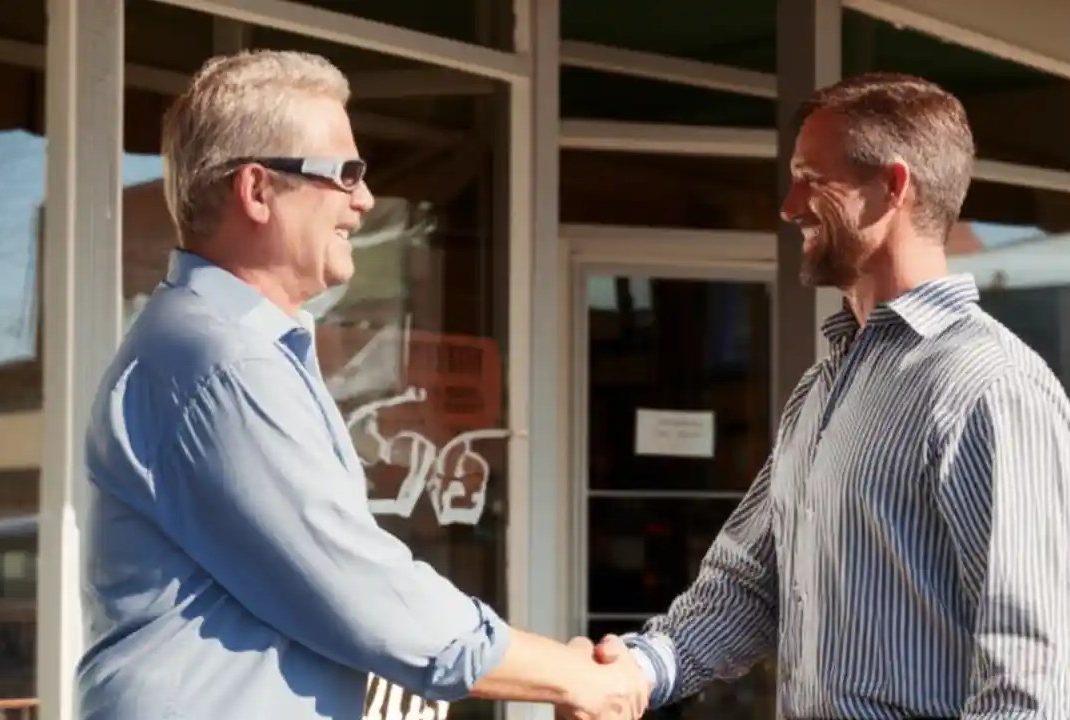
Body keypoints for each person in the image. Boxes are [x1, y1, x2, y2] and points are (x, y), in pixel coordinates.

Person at [76, 49, 648, 720]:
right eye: (344, 173)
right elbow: (362, 594)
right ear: (257, 191)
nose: (365, 199)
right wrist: (569, 676)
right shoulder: (223, 364)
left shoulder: (226, 349)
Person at [588, 72, 1070, 718]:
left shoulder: (990, 389)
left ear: (892, 187)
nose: (789, 205)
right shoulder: (824, 385)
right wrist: (639, 670)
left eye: (812, 178)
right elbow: (748, 587)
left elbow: (1038, 681)